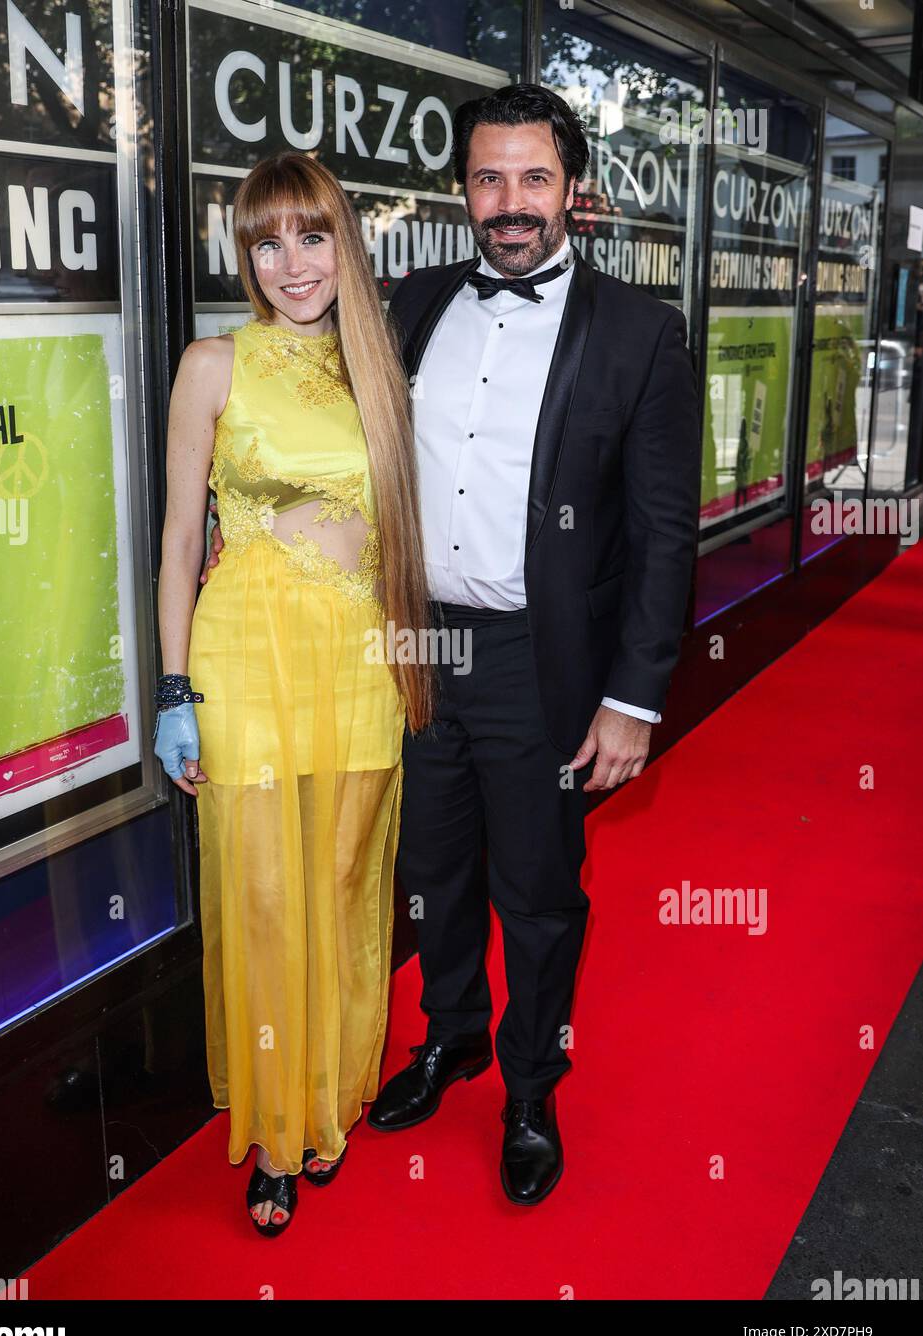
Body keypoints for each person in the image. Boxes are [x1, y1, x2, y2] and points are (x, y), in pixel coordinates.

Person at [206, 84, 702, 1209]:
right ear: (461, 191)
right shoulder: (414, 304)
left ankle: (530, 1087)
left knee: (535, 888)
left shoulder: (637, 331)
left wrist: (633, 697)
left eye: (534, 178)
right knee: (427, 870)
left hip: (542, 658)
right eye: (488, 178)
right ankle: (450, 1040)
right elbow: (298, 421)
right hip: (415, 646)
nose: (510, 202)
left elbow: (666, 531)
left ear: (573, 191)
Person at [154, 151, 432, 1236]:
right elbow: (181, 539)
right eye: (267, 242)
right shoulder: (212, 364)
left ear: (343, 243)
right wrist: (175, 687)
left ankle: (325, 1102)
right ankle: (275, 1136)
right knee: (266, 901)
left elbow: (405, 539)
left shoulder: (380, 366)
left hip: (356, 665)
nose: (292, 263)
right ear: (247, 256)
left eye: (311, 236)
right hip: (246, 664)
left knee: (345, 882)